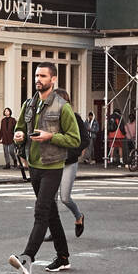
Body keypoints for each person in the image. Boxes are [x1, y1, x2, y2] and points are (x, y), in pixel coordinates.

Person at [8, 63, 80, 274]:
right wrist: (18, 136)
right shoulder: (29, 104)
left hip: (53, 165)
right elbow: (19, 128)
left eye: (43, 76)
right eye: (36, 75)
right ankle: (63, 257)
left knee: (41, 211)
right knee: (50, 213)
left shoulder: (62, 107)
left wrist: (51, 136)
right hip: (34, 164)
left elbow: (75, 139)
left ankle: (27, 258)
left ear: (53, 79)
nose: (38, 79)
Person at [51, 89, 85, 237]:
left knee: (65, 197)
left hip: (69, 162)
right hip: (52, 162)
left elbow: (84, 140)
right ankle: (55, 231)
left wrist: (71, 153)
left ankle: (79, 217)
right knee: (51, 199)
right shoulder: (50, 118)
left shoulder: (75, 118)